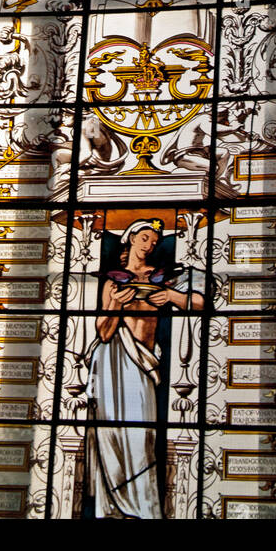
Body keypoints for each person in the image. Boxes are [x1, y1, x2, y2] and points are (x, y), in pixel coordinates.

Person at [85, 219, 204, 519]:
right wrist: (115, 304)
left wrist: (171, 297)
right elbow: (103, 332)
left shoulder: (161, 278)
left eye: (155, 240)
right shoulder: (113, 282)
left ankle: (144, 507)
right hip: (112, 359)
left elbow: (202, 302)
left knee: (142, 436)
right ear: (130, 239)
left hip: (142, 363)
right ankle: (110, 509)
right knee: (109, 435)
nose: (150, 244)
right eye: (145, 237)